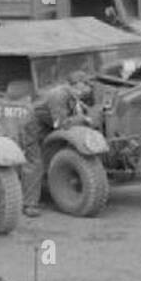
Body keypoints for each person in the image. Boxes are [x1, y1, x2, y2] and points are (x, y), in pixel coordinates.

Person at [17, 73, 94, 217]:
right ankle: (28, 205)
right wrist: (83, 119)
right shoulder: (58, 96)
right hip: (33, 127)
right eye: (86, 85)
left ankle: (46, 192)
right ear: (77, 84)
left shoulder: (72, 96)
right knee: (34, 163)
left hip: (46, 126)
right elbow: (62, 124)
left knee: (49, 157)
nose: (89, 89)